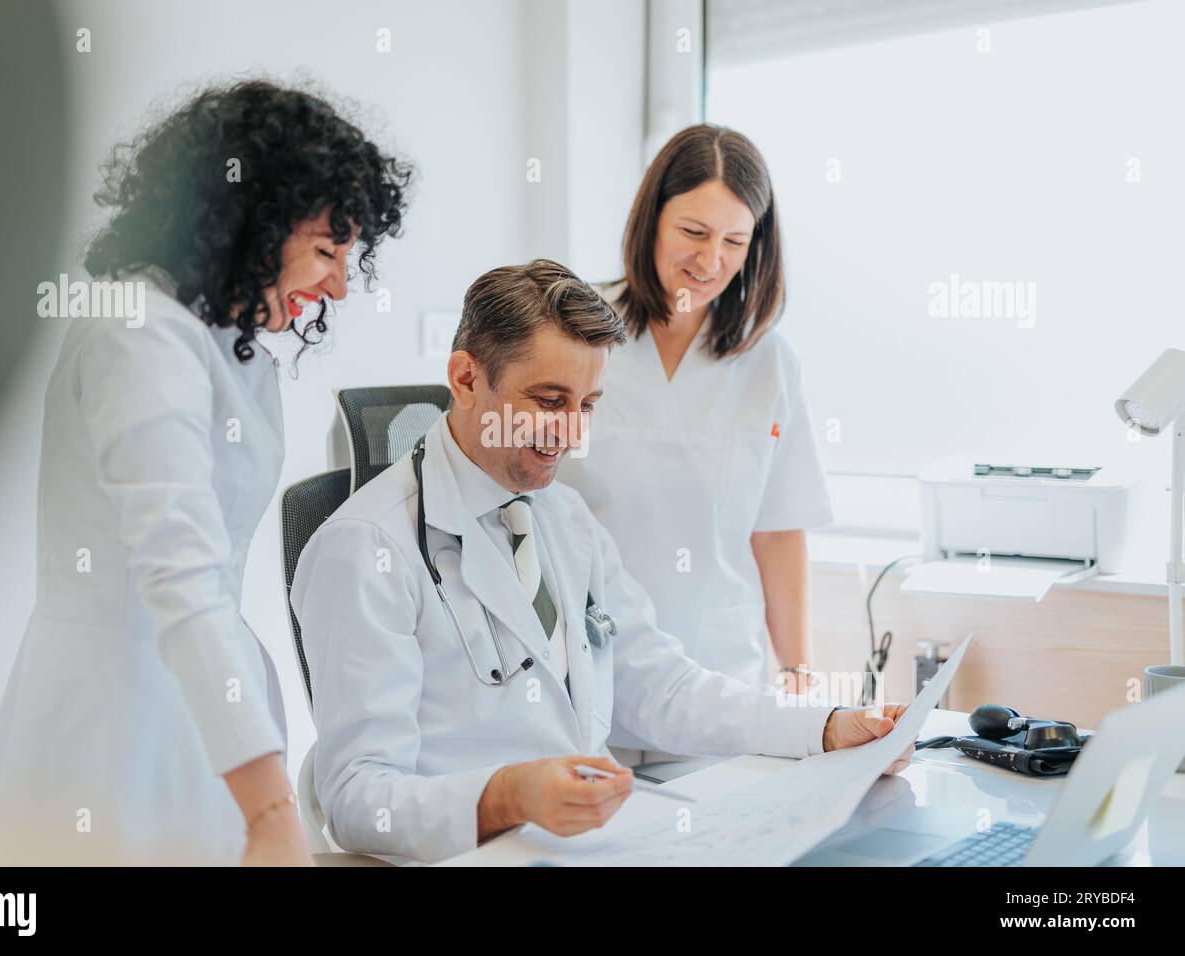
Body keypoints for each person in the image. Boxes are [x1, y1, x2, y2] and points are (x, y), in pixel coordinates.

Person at [290, 259, 909, 864]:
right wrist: (506, 796)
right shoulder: (368, 547)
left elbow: (662, 685)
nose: (570, 433)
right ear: (466, 378)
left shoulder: (563, 518)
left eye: (587, 405)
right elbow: (356, 799)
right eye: (550, 400)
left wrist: (824, 726)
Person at [0, 80, 411, 865]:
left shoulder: (228, 339)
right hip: (112, 722)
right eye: (326, 250)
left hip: (204, 709)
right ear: (254, 220)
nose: (342, 284)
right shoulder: (137, 332)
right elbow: (179, 572)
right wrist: (273, 810)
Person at [558, 124, 833, 769]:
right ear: (651, 219)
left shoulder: (769, 364)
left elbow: (778, 531)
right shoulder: (576, 330)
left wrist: (798, 673)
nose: (711, 262)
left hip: (717, 681)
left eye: (735, 241)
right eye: (694, 232)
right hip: (583, 666)